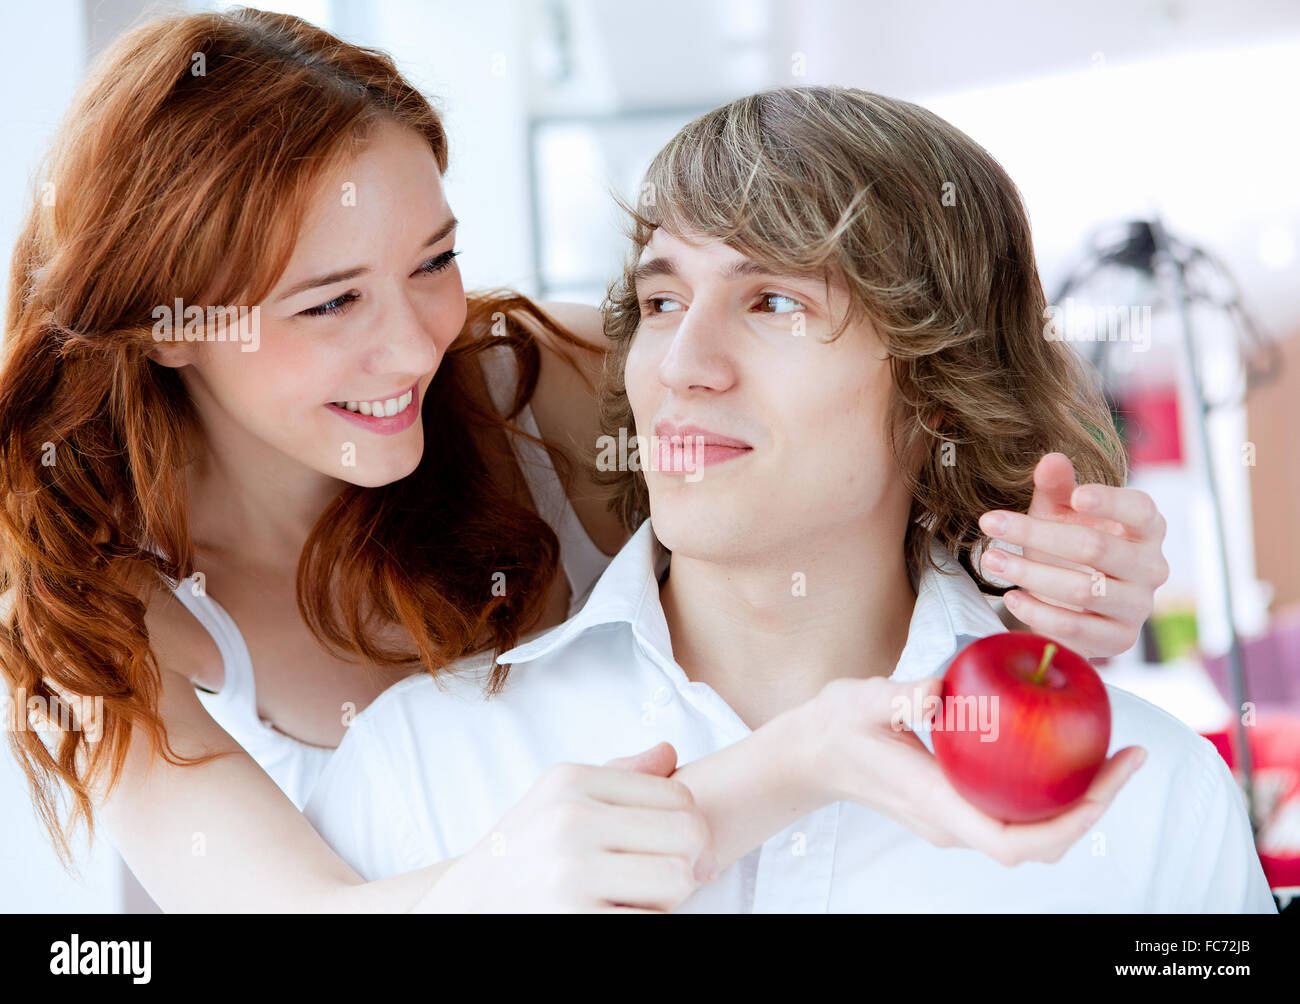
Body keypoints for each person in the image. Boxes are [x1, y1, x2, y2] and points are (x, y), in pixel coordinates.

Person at [2, 11, 1169, 913]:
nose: (413, 341)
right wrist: (795, 764)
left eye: (433, 259)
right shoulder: (69, 612)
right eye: (329, 302)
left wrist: (1069, 534)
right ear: (166, 326)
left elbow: (888, 376)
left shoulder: (516, 378)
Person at [303, 86, 1275, 912]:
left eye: (774, 302)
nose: (683, 367)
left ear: (937, 392)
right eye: (660, 302)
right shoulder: (423, 764)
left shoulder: (1147, 800)